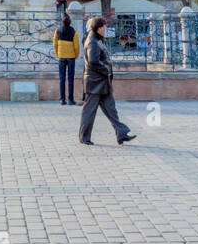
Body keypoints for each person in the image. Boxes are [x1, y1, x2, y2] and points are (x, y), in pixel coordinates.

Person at [79, 16, 136, 146]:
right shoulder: (92, 40)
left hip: (102, 82)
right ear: (99, 28)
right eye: (105, 26)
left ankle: (121, 133)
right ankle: (84, 137)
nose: (106, 28)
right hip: (94, 83)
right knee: (89, 110)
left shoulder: (97, 39)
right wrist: (106, 69)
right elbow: (93, 61)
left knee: (111, 109)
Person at [53, 12, 80, 105]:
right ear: (70, 22)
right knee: (70, 79)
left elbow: (55, 44)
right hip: (71, 57)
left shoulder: (57, 31)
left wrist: (58, 53)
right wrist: (75, 55)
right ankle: (70, 100)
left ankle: (62, 99)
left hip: (61, 57)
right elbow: (76, 46)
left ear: (62, 22)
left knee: (62, 79)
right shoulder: (74, 32)